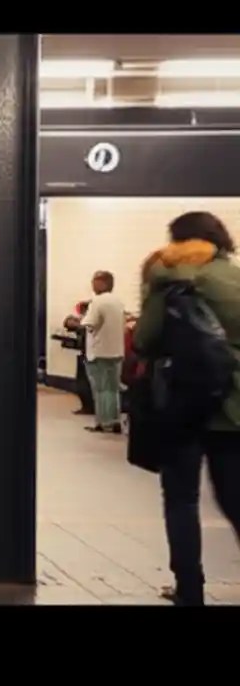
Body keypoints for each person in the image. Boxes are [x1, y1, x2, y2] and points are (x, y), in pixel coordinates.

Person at [134, 211, 240, 606]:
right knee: (233, 496)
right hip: (231, 403)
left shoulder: (166, 280)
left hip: (180, 402)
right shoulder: (234, 279)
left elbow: (145, 339)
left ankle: (190, 588)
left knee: (181, 498)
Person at [66, 271, 125, 434]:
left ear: (103, 283)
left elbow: (88, 324)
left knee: (101, 389)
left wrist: (73, 322)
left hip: (99, 352)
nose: (92, 284)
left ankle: (103, 422)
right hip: (116, 351)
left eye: (94, 281)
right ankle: (115, 421)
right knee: (113, 389)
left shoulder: (97, 302)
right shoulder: (118, 302)